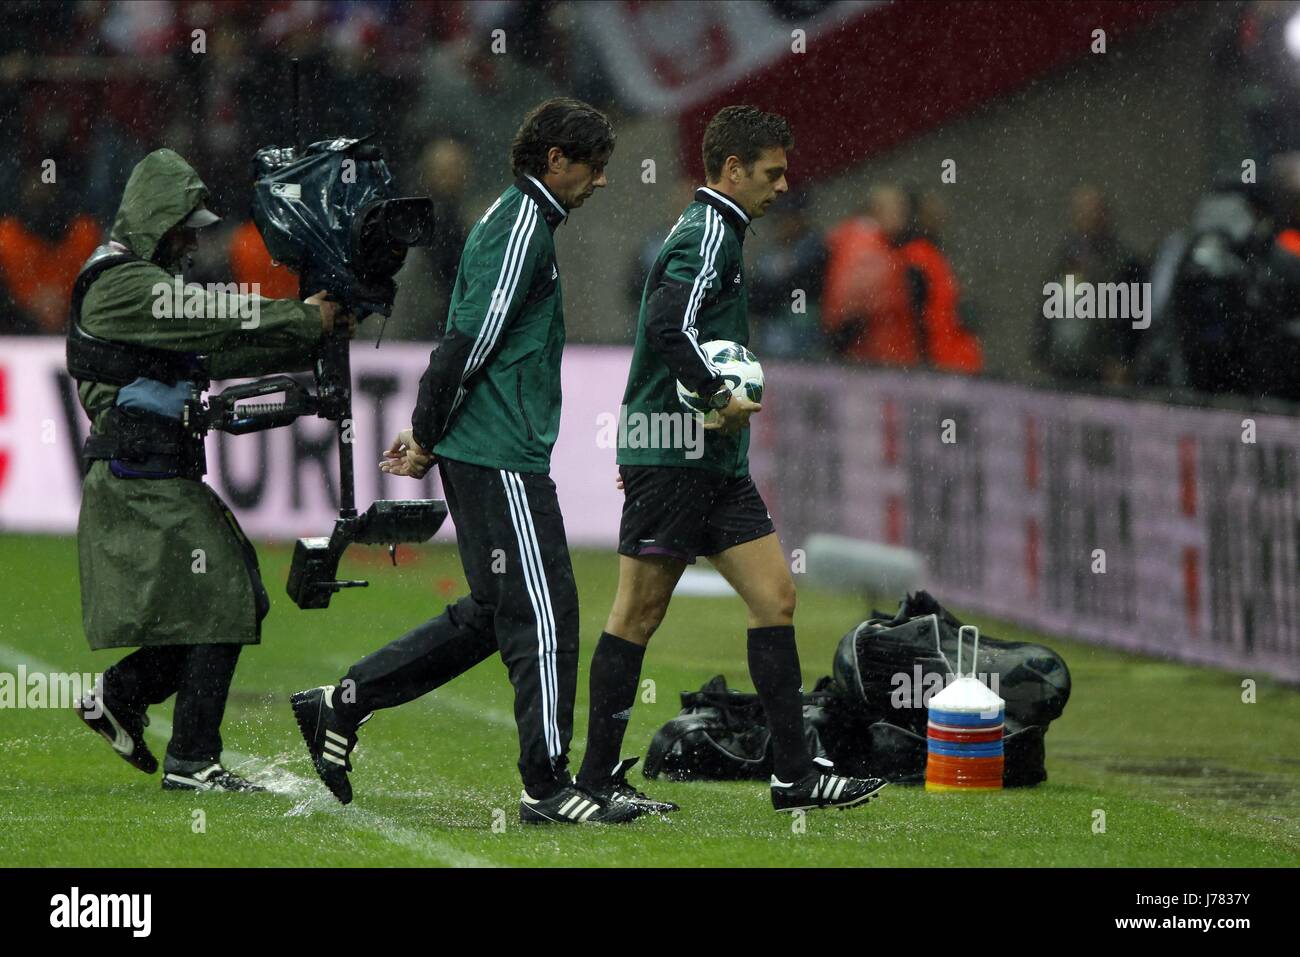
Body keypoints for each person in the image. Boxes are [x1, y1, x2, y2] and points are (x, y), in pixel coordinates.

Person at [290, 99, 641, 825]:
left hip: (486, 446)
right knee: (546, 613)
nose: (602, 182)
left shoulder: (516, 220)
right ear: (555, 161)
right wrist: (424, 431)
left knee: (494, 613)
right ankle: (547, 787)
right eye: (594, 167)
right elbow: (468, 342)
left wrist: (430, 433)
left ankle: (340, 704)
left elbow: (464, 335)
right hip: (498, 451)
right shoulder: (520, 225)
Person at [575, 105, 888, 814]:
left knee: (774, 595)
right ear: (733, 169)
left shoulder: (722, 232)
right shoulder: (707, 235)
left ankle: (794, 776)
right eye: (773, 174)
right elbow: (665, 322)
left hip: (711, 458)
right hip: (675, 454)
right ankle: (595, 780)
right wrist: (716, 389)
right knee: (637, 612)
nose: (782, 188)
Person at [70, 148, 348, 792]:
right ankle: (192, 759)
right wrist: (305, 318)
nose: (195, 240)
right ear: (156, 221)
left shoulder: (143, 287)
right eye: (186, 227)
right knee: (222, 595)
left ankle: (121, 696)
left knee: (232, 595)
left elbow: (223, 342)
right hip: (139, 472)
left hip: (155, 470)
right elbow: (216, 316)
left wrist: (308, 333)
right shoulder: (123, 283)